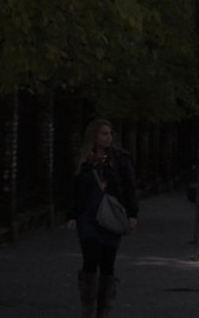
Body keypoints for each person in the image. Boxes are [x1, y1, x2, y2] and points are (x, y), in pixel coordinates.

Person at [66, 119, 138, 318]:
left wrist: (132, 214)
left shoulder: (120, 159)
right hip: (88, 216)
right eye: (104, 134)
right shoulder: (83, 160)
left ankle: (103, 310)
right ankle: (88, 309)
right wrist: (71, 215)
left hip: (111, 216)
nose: (108, 138)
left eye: (110, 134)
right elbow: (73, 190)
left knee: (107, 262)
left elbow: (129, 187)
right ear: (94, 136)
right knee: (90, 259)